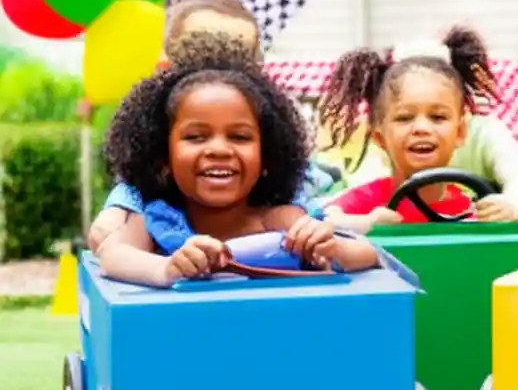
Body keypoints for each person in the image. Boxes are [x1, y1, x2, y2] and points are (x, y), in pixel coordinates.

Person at [95, 32, 380, 287]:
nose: (219, 149)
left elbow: (367, 253)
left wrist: (331, 247)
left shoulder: (278, 219)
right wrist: (167, 268)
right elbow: (112, 255)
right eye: (196, 137)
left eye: (239, 137)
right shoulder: (157, 220)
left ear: (267, 157)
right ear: (162, 157)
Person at [88, 0, 328, 253]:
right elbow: (135, 194)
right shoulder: (152, 163)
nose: (218, 75)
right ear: (168, 67)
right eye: (198, 56)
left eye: (239, 59)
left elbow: (302, 192)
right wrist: (119, 207)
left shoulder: (279, 169)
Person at [319, 26, 518, 231]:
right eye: (405, 118)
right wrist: (367, 223)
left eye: (437, 117)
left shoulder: (468, 208)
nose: (422, 128)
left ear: (460, 132)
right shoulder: (368, 199)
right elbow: (324, 218)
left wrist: (509, 210)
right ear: (380, 138)